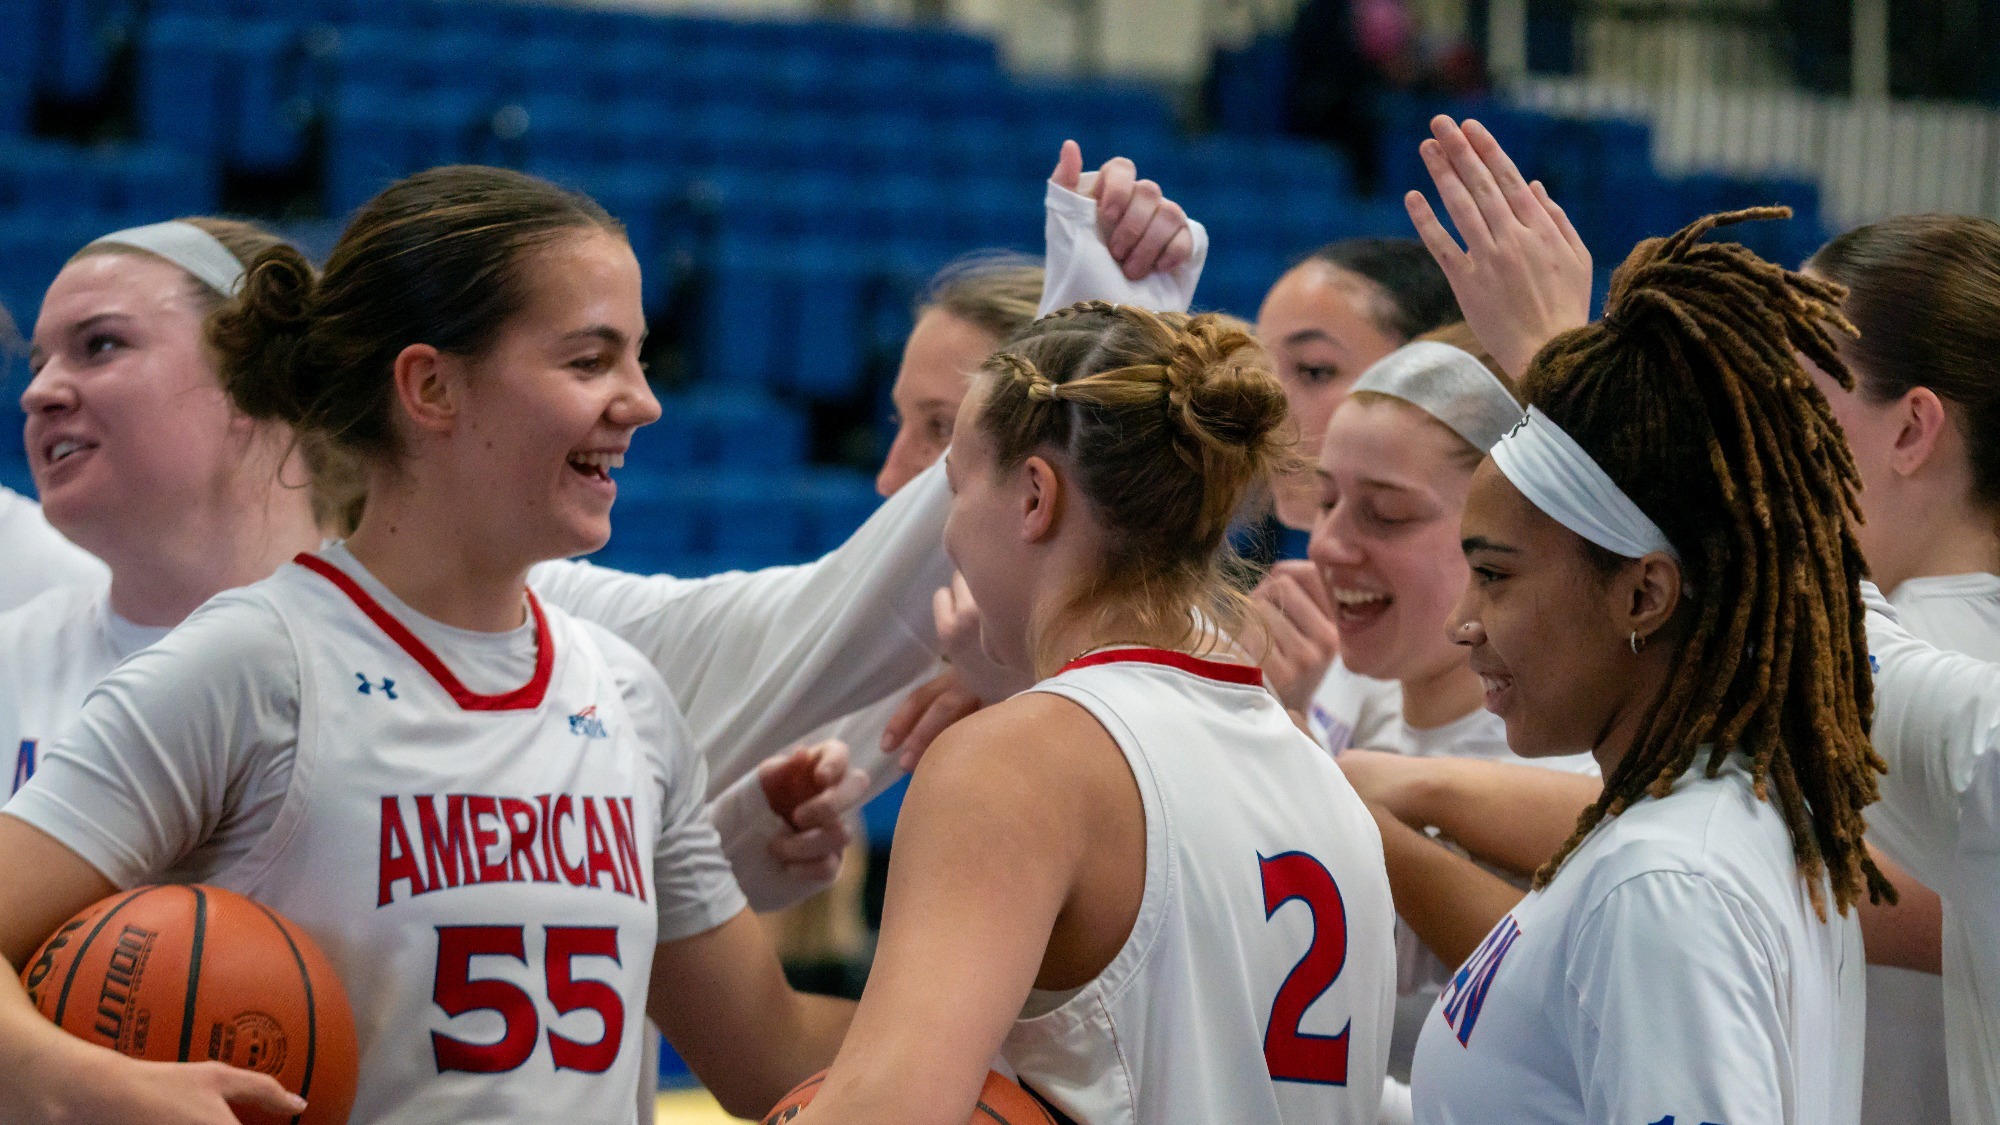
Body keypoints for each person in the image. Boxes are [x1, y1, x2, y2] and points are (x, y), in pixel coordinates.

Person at [0, 166, 860, 1125]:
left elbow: (769, 1055)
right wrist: (80, 1078)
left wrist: (1028, 1007)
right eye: (589, 362)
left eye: (640, 360)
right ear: (432, 386)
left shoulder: (623, 690)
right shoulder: (254, 666)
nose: (642, 402)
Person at [797, 303, 1397, 1124]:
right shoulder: (1324, 782)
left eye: (956, 489)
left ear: (1035, 497)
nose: (950, 535)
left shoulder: (1017, 762)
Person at [1383, 198, 1883, 1124]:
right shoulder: (1691, 825)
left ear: (1644, 595)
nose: (1462, 622)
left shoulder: (1665, 884)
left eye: (1495, 575)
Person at [3, 219, 341, 796]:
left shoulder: (446, 643)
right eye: (38, 365)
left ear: (253, 379)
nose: (37, 393)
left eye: (100, 345)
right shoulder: (11, 666)